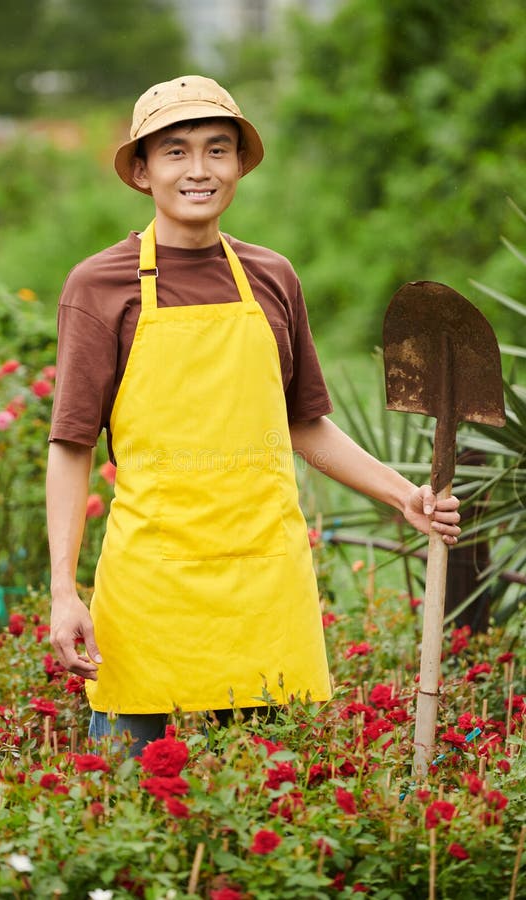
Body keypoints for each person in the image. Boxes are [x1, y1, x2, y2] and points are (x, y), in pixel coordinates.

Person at [47, 75, 460, 754]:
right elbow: (71, 444)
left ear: (239, 164)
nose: (200, 170)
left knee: (269, 797)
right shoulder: (100, 284)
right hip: (152, 581)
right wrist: (64, 590)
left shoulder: (272, 276)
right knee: (122, 797)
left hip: (262, 580)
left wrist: (402, 496)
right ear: (143, 171)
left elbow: (303, 422)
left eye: (218, 149)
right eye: (175, 152)